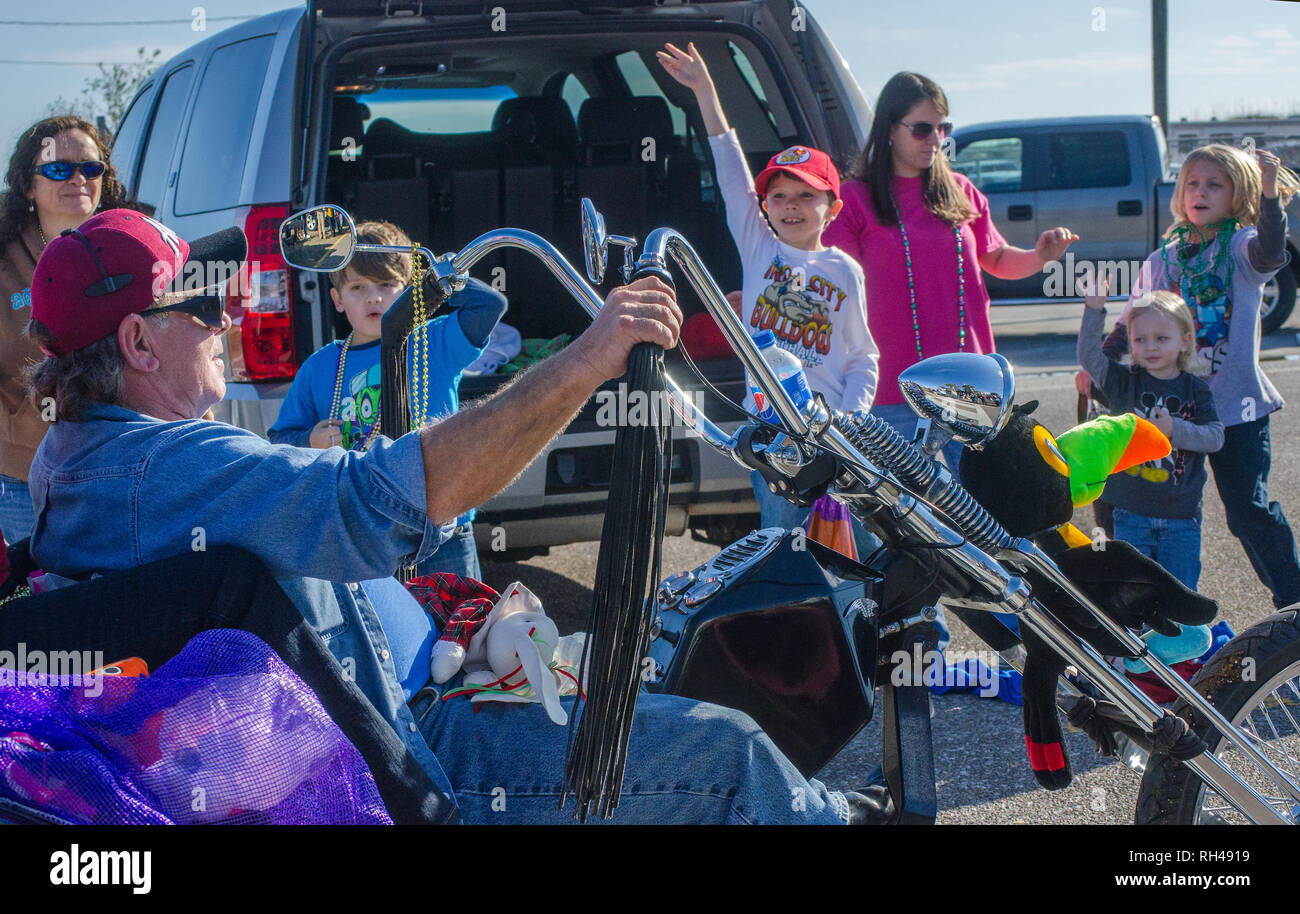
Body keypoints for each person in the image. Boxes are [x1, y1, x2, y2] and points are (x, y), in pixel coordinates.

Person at [22, 209, 871, 824]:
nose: (227, 319)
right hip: (422, 742)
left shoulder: (88, 457)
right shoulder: (161, 468)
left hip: (418, 683)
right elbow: (377, 503)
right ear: (138, 344)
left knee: (673, 678)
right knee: (726, 753)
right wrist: (588, 357)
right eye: (200, 309)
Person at [657, 41, 880, 534]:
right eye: (778, 196)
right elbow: (733, 177)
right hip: (775, 441)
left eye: (806, 194)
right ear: (765, 208)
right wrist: (705, 92)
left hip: (838, 442)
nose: (790, 205)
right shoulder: (760, 249)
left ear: (833, 208)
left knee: (857, 557)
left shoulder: (845, 270)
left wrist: (848, 422)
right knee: (788, 551)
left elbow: (864, 356)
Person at [822, 72, 1077, 472]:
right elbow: (830, 282)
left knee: (984, 512)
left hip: (970, 389)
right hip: (890, 389)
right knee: (901, 517)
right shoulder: (855, 199)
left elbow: (995, 258)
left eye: (944, 127)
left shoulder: (960, 189)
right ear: (890, 129)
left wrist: (1039, 256)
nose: (936, 140)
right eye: (923, 129)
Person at [1111, 144, 1300, 610]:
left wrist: (1271, 192)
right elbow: (1130, 320)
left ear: (1238, 194)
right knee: (1155, 511)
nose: (1201, 192)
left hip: (1238, 412)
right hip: (1176, 413)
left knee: (1247, 512)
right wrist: (1099, 365)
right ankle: (1159, 622)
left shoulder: (1241, 247)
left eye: (1215, 184)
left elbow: (1272, 250)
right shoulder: (1163, 259)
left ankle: (1294, 606)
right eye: (1193, 183)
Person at [268, 220, 506, 580]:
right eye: (357, 287)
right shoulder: (319, 367)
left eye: (386, 284)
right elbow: (280, 443)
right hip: (364, 532)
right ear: (337, 299)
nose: (373, 297)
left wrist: (439, 281)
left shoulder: (435, 342)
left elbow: (490, 305)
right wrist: (311, 440)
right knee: (385, 634)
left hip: (441, 529)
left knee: (460, 631)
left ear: (408, 287)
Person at [0, 115, 126, 544]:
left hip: (120, 468)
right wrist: (19, 429)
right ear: (28, 186)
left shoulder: (128, 248)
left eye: (91, 168)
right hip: (24, 480)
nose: (78, 179)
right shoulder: (3, 263)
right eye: (58, 168)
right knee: (37, 605)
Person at [1078, 286, 1224, 591]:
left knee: (1181, 593)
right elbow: (1089, 355)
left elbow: (1215, 437)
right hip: (1130, 513)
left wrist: (1175, 430)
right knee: (1131, 593)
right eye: (1140, 339)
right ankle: (1138, 639)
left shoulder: (1196, 390)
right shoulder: (1123, 382)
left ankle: (1182, 639)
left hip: (1182, 517)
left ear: (1185, 340)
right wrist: (1094, 308)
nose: (1150, 347)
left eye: (1161, 338)